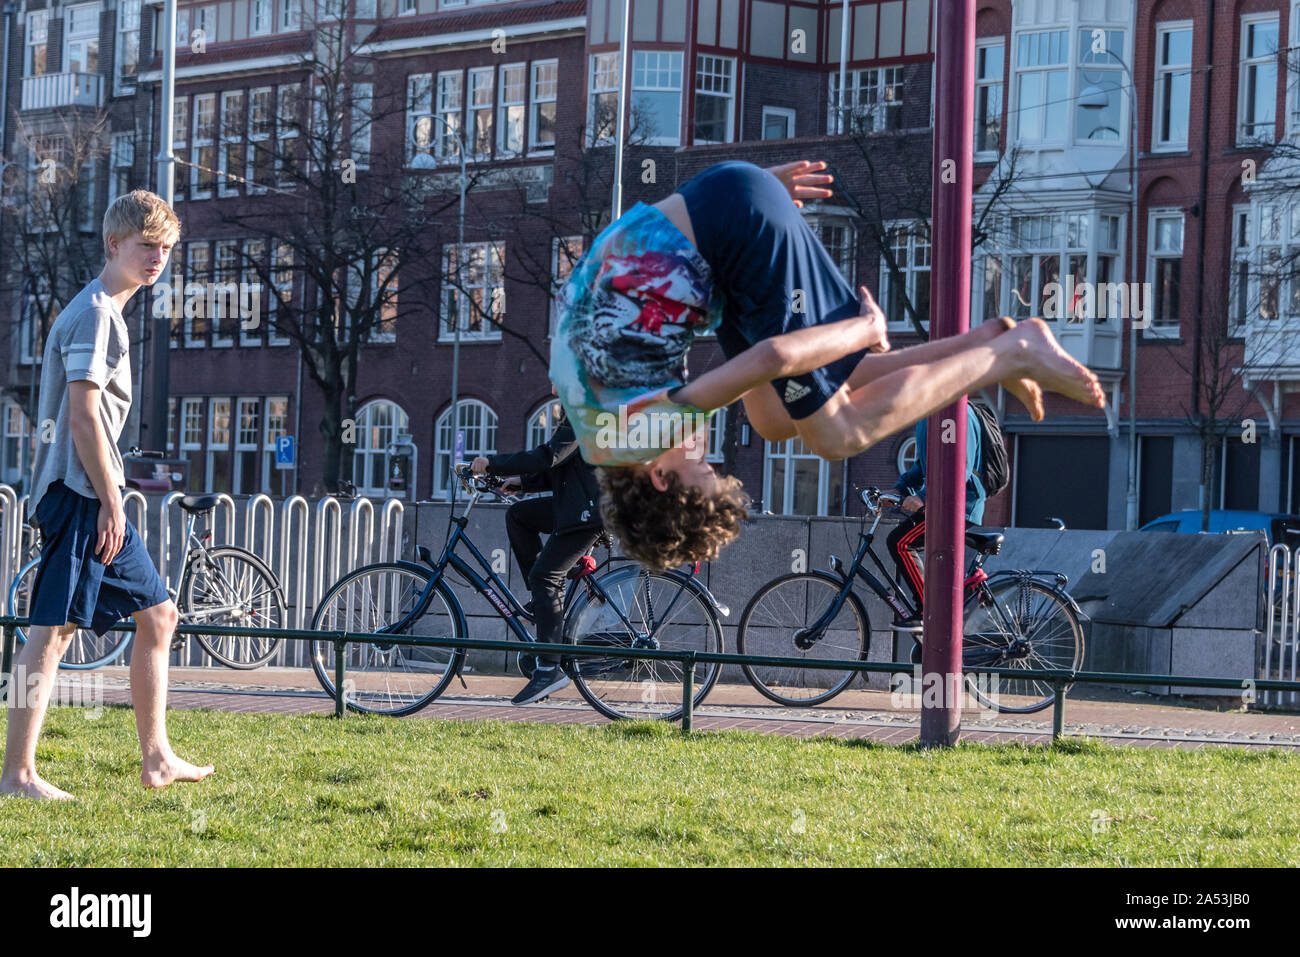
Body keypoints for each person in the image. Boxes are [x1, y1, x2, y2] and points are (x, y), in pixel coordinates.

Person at [549, 160, 1104, 572]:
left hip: (738, 235)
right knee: (772, 418)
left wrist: (863, 331)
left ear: (659, 478)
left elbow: (774, 355)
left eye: (702, 468)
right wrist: (755, 185)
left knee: (838, 433)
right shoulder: (599, 426)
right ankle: (979, 342)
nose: (704, 452)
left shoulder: (643, 432)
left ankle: (1006, 354)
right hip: (716, 207)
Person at [0, 190, 214, 800]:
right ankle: (17, 775)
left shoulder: (105, 313)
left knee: (159, 615)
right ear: (113, 244)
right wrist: (113, 502)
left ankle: (157, 759)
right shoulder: (95, 313)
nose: (157, 259)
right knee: (52, 631)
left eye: (166, 249)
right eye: (147, 246)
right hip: (81, 495)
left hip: (91, 493)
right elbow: (83, 419)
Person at [469, 404, 603, 706]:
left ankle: (549, 669)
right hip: (575, 506)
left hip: (587, 513)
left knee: (545, 576)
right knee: (519, 516)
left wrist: (492, 464)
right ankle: (543, 602)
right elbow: (562, 467)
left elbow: (548, 456)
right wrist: (523, 483)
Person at [887, 411, 986, 628]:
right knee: (907, 543)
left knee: (901, 542)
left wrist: (923, 497)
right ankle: (933, 609)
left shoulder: (958, 411)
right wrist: (898, 490)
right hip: (941, 501)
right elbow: (922, 466)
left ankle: (928, 610)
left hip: (962, 504)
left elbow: (962, 468)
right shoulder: (927, 416)